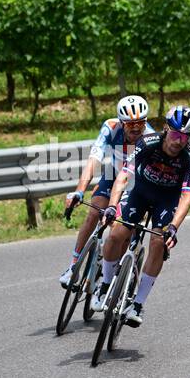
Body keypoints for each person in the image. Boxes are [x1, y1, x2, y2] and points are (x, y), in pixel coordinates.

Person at [91, 106, 190, 326]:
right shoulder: (147, 142)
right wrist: (113, 206)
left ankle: (138, 303)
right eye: (175, 134)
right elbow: (123, 176)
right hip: (140, 191)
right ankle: (104, 285)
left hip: (167, 199)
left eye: (185, 137)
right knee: (116, 234)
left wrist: (174, 227)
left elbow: (187, 197)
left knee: (159, 242)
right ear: (166, 129)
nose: (179, 141)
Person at [60, 95, 153, 286]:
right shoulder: (110, 127)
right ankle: (73, 267)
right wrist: (79, 191)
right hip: (112, 175)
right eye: (130, 124)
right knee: (94, 211)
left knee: (119, 226)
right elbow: (94, 160)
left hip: (134, 182)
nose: (136, 128)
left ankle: (113, 272)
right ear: (121, 122)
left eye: (140, 123)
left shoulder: (150, 137)